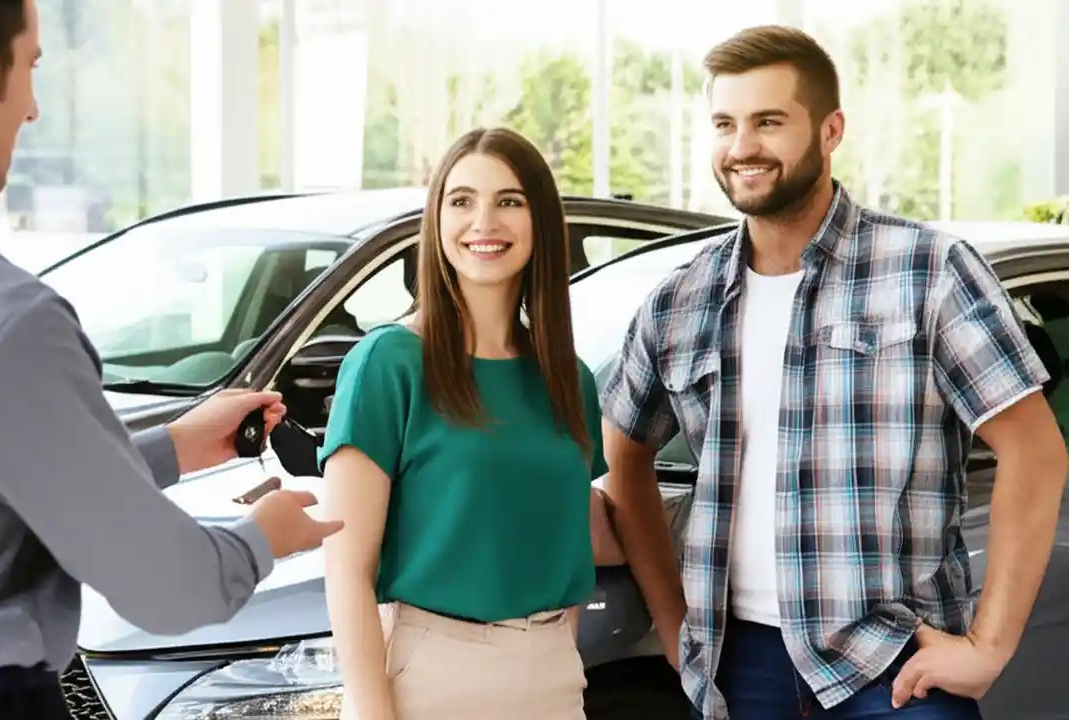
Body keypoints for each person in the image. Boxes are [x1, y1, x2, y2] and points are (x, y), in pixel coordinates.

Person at [0, 2, 341, 718]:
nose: (32, 109)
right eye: (31, 67)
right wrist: (263, 537)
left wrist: (171, 447)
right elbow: (169, 588)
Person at [599, 24, 1068, 720]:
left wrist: (988, 647)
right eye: (725, 123)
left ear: (830, 130)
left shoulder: (927, 271)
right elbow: (623, 454)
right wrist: (673, 625)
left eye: (768, 121)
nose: (742, 145)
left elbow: (1035, 451)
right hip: (735, 670)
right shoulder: (681, 300)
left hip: (894, 667)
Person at [319, 127, 610, 720]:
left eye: (509, 201)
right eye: (461, 200)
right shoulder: (388, 363)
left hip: (553, 677)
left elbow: (568, 536)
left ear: (540, 221)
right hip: (432, 678)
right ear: (437, 219)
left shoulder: (568, 378)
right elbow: (347, 566)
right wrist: (371, 709)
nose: (484, 221)